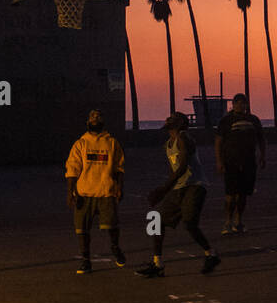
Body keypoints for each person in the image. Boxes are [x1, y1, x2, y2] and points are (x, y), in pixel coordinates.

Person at [136, 113, 220, 277]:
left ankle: (211, 254)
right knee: (156, 221)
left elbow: (182, 167)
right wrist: (167, 190)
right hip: (178, 188)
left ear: (181, 125)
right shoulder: (168, 144)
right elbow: (174, 170)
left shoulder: (184, 138)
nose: (170, 127)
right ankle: (157, 263)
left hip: (194, 186)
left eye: (172, 123)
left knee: (189, 222)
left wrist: (163, 189)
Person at [64, 108, 127, 275]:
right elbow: (72, 170)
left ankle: (115, 247)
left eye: (98, 119)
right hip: (84, 192)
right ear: (88, 123)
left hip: (106, 191)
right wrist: (70, 192)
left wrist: (120, 186)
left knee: (112, 226)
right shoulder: (81, 143)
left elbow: (119, 168)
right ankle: (86, 261)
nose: (95, 121)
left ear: (102, 123)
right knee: (82, 229)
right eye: (92, 119)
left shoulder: (112, 143)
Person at [214, 93, 265, 235]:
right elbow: (218, 141)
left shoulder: (253, 120)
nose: (241, 106)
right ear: (233, 104)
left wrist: (263, 155)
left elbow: (261, 138)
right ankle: (227, 221)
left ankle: (239, 221)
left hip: (248, 162)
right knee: (230, 195)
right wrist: (219, 161)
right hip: (231, 162)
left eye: (243, 103)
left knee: (243, 194)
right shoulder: (226, 121)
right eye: (238, 103)